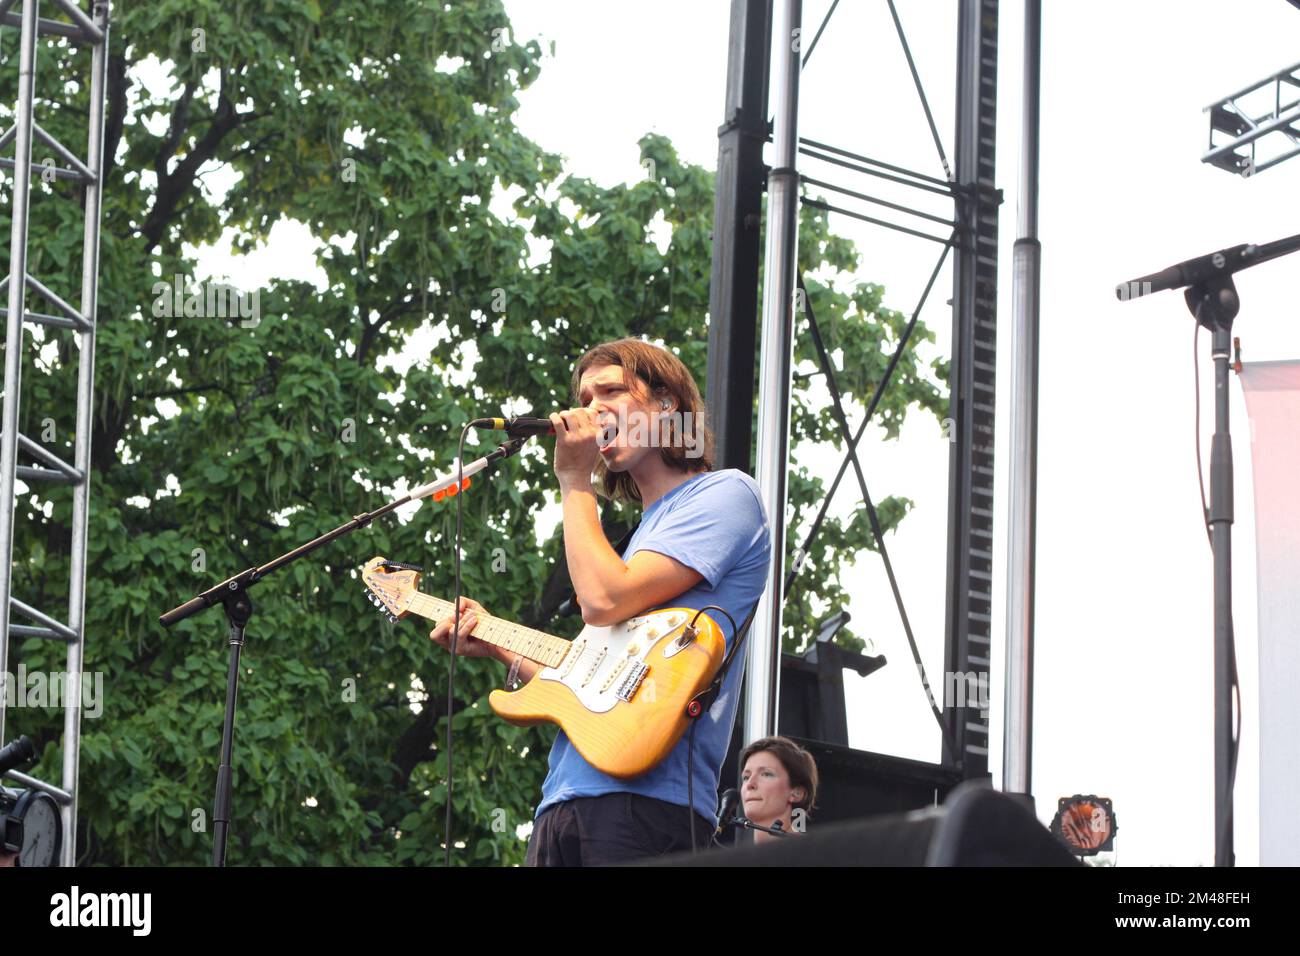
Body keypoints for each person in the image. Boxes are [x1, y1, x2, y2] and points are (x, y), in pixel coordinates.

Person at [429, 337, 771, 865]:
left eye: (611, 390)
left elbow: (604, 600)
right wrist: (494, 638)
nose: (590, 410)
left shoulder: (727, 494)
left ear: (666, 406)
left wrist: (572, 479)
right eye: (585, 398)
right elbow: (595, 673)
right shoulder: (635, 541)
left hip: (648, 807)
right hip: (563, 802)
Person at [738, 735, 819, 843]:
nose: (750, 784)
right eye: (746, 777)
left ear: (797, 793)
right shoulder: (737, 858)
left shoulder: (814, 856)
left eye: (766, 774)